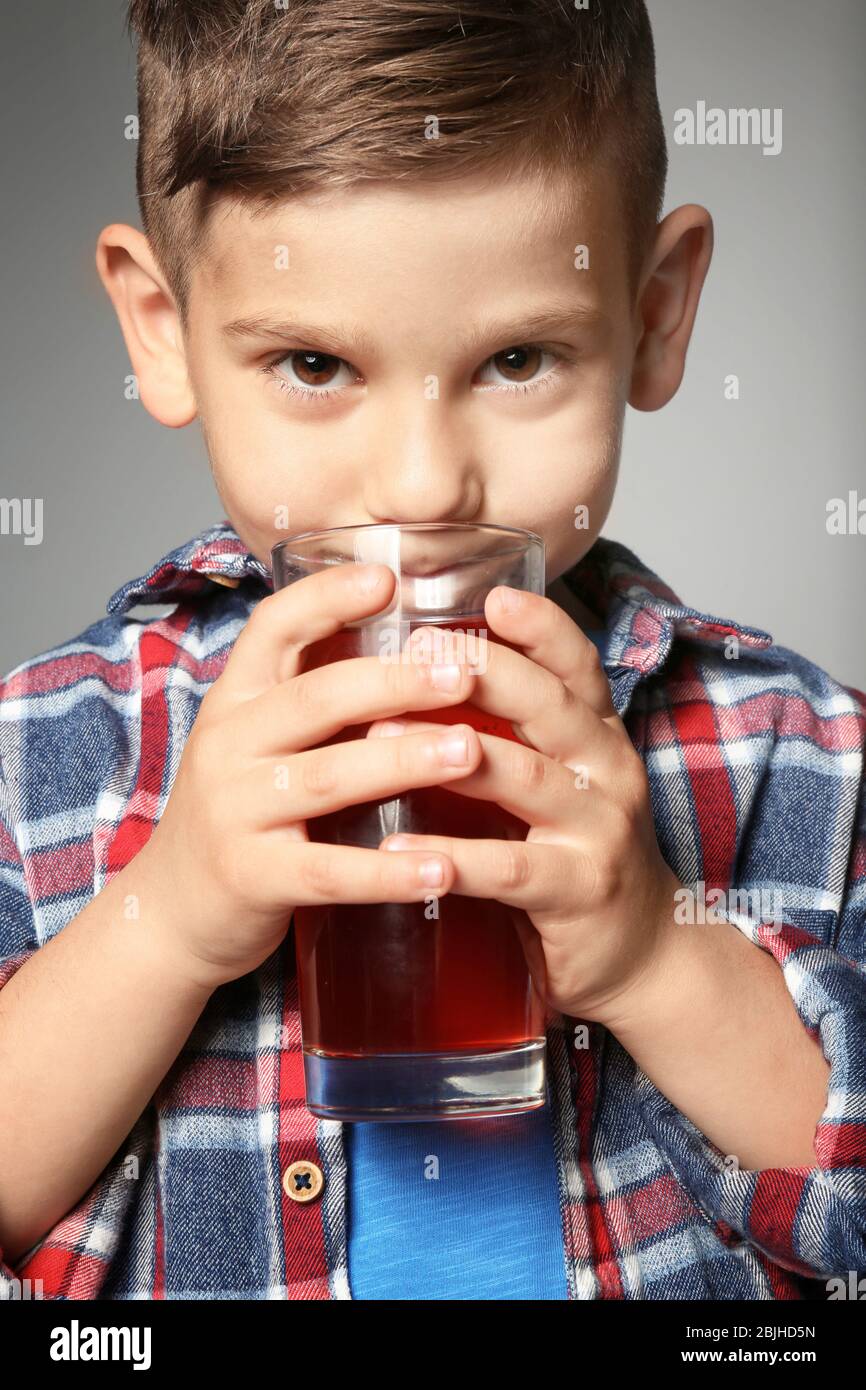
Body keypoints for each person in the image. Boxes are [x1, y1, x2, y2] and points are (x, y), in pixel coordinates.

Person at [0, 0, 863, 1301]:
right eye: (312, 361)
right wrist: (163, 923)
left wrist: (655, 955)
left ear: (656, 311)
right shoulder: (45, 753)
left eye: (516, 358)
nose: (422, 485)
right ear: (162, 330)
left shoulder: (806, 759)